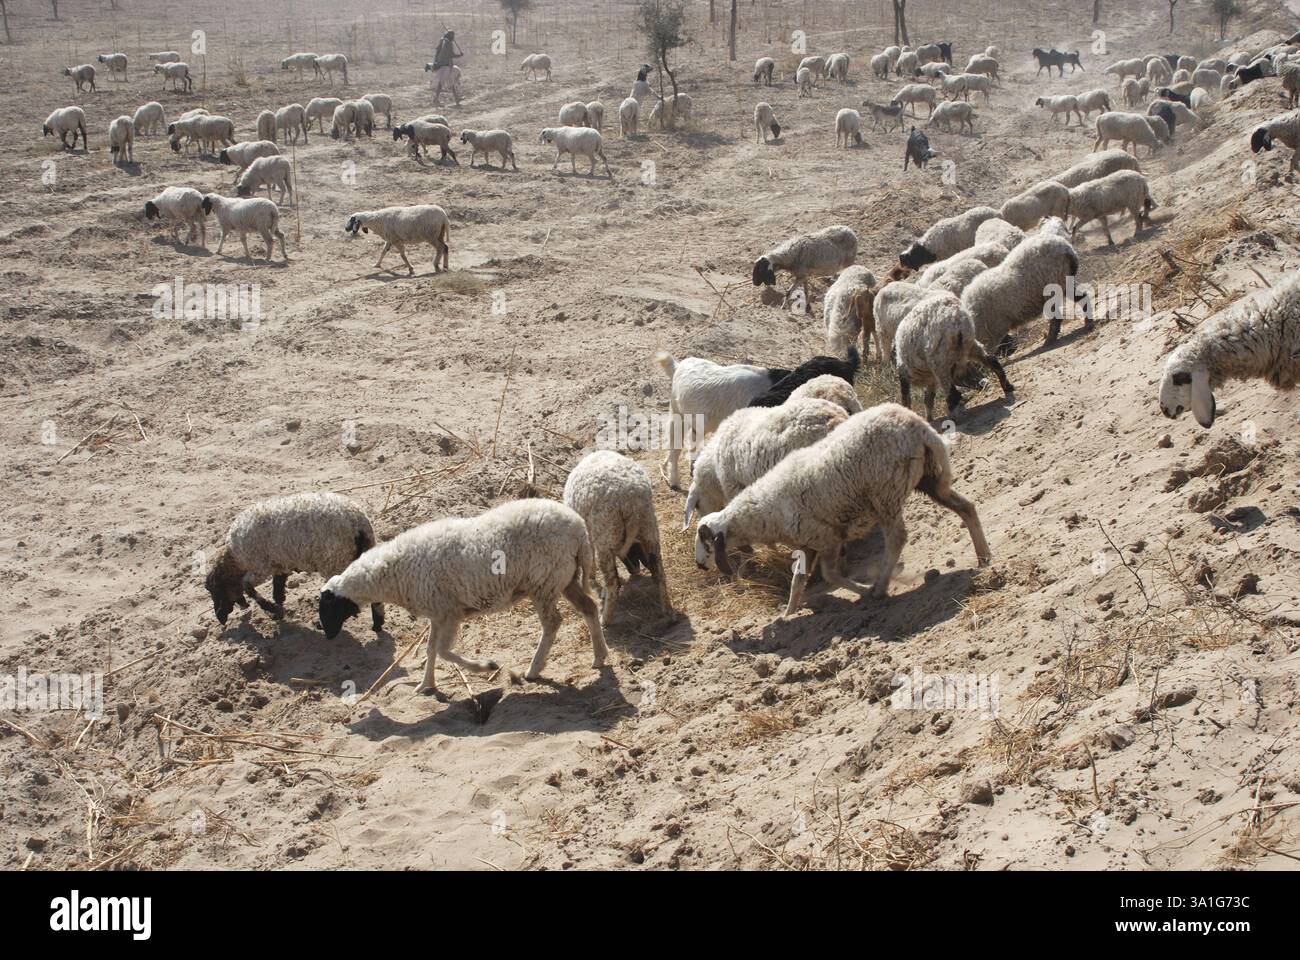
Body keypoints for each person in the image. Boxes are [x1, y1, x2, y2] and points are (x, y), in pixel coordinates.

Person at [431, 30, 463, 105]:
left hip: (440, 64)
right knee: (447, 81)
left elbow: (438, 51)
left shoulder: (442, 41)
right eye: (453, 36)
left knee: (447, 82)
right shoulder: (448, 43)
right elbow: (451, 55)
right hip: (445, 65)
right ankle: (436, 99)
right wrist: (459, 55)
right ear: (451, 36)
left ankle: (456, 99)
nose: (454, 38)